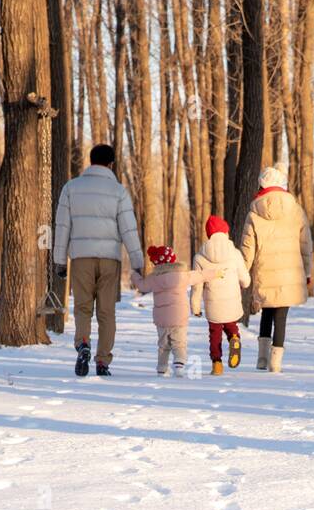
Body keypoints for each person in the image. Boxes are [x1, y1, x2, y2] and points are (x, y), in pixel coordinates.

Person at [53, 144, 144, 378]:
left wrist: (59, 260)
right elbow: (129, 229)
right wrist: (137, 261)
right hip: (109, 260)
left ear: (90, 161)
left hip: (81, 258)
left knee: (83, 308)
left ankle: (83, 343)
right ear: (111, 164)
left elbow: (62, 226)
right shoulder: (118, 192)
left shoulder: (71, 188)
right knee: (106, 311)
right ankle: (103, 361)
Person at [239, 164, 313, 373]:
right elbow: (305, 244)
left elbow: (247, 247)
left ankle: (262, 358)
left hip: (265, 271)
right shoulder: (296, 210)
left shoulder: (253, 213)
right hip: (289, 272)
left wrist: (243, 273)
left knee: (266, 313)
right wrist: (307, 272)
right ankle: (276, 362)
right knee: (281, 316)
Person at [131, 245, 223, 377]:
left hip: (161, 319)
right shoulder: (181, 275)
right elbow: (200, 275)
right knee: (179, 343)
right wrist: (216, 273)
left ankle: (162, 368)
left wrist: (134, 275)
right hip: (179, 317)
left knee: (163, 345)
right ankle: (179, 365)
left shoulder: (153, 278)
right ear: (172, 260)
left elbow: (141, 285)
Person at [191, 215, 251, 376]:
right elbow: (245, 279)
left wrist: (195, 307)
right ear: (225, 232)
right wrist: (244, 284)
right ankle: (234, 338)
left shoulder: (199, 257)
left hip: (213, 304)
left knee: (214, 334)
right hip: (232, 302)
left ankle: (217, 364)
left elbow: (197, 286)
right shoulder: (235, 253)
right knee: (231, 325)